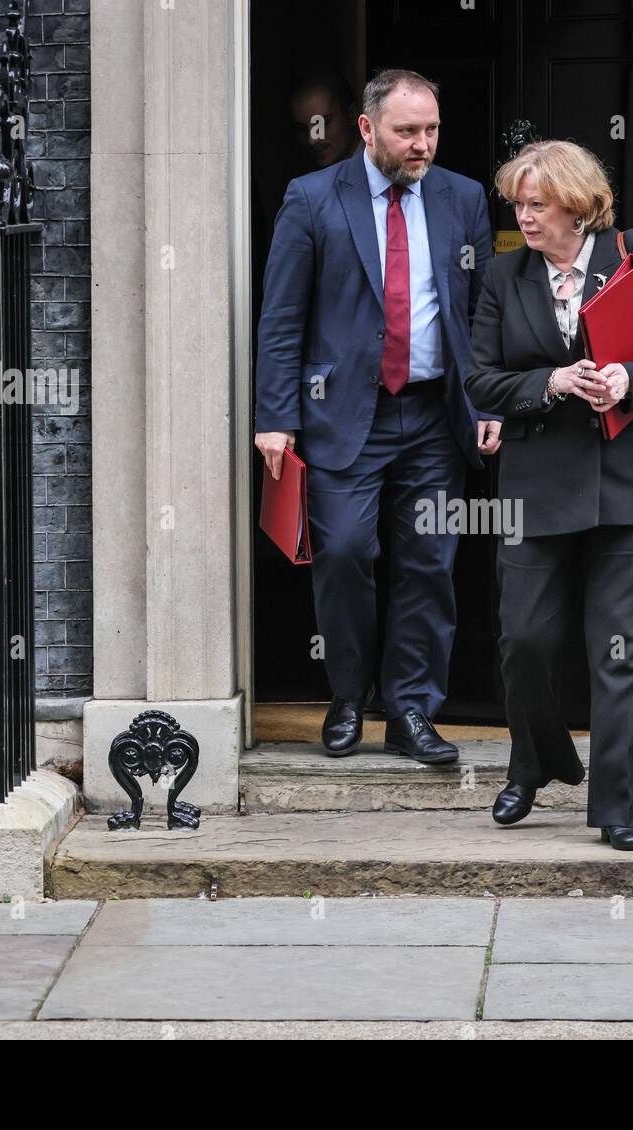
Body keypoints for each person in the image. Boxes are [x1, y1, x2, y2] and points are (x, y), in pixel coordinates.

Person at [465, 140, 633, 849]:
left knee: (622, 649)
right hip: (536, 482)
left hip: (627, 480)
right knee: (527, 640)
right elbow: (481, 378)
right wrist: (550, 382)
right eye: (518, 203)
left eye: (536, 204)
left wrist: (628, 379)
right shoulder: (504, 276)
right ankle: (536, 762)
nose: (523, 216)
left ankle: (622, 808)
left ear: (577, 204)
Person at [255, 69, 499, 763]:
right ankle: (347, 698)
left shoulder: (464, 198)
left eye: (431, 130)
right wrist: (276, 415)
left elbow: (481, 311)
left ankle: (413, 712)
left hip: (432, 416)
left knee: (429, 564)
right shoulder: (312, 199)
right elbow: (282, 317)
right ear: (367, 130)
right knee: (343, 554)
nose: (422, 144)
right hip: (341, 417)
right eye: (406, 131)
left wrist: (484, 399)